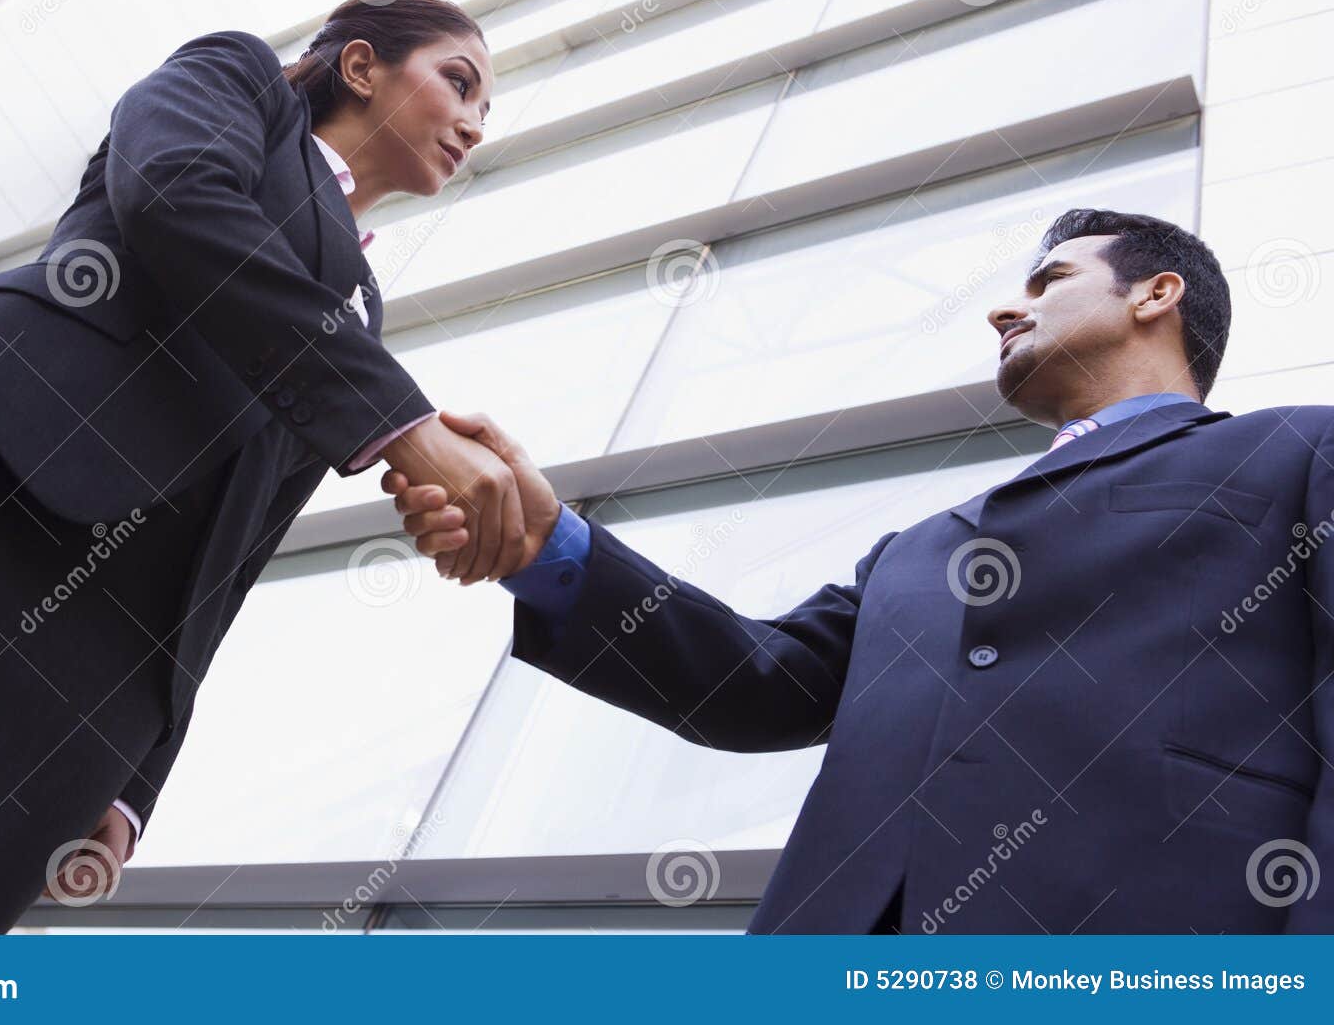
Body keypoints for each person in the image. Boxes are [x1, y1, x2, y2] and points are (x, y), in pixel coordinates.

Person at [0, 0, 526, 932]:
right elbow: (176, 194)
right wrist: (402, 423)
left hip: (86, 662)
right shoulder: (237, 82)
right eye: (462, 82)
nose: (474, 123)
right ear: (361, 66)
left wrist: (134, 783)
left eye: (488, 110)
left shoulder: (363, 315)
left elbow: (238, 552)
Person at [385, 209, 1334, 933]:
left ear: (1155, 295)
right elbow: (754, 685)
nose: (1008, 305)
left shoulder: (1300, 450)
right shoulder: (918, 549)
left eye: (1049, 280)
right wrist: (547, 547)